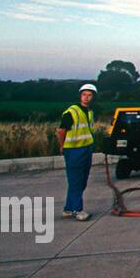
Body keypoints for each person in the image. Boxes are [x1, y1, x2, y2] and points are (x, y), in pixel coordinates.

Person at [56, 83, 100, 221]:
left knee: (82, 182)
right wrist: (62, 146)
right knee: (76, 181)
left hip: (86, 149)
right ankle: (77, 210)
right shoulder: (72, 112)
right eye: (84, 95)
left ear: (93, 97)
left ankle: (69, 209)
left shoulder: (89, 112)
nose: (86, 98)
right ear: (80, 96)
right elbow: (61, 130)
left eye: (89, 95)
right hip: (74, 150)